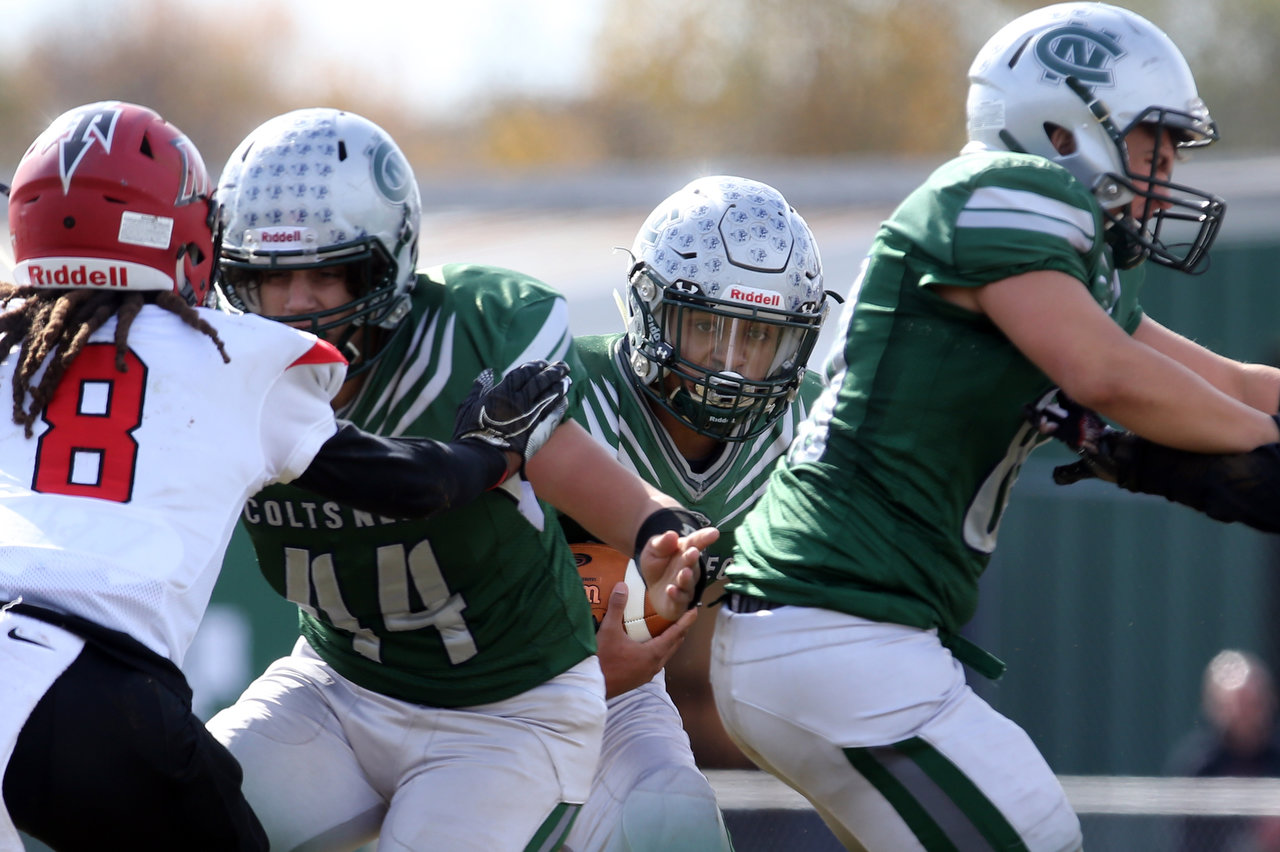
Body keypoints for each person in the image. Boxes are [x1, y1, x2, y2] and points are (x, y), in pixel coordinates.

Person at [708, 3, 1280, 850]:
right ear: (1060, 128)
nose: (1164, 173)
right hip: (833, 626)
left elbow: (1234, 382)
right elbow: (1108, 374)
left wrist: (1258, 427)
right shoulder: (1006, 193)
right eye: (1150, 143)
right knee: (1033, 834)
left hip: (853, 634)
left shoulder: (1042, 249)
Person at [0, 101, 578, 852]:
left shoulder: (15, 346)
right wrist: (489, 451)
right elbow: (409, 485)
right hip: (99, 690)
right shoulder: (231, 355)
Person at [202, 107, 718, 852]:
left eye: (328, 271)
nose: (299, 303)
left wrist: (651, 527)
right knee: (176, 808)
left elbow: (561, 457)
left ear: (387, 264)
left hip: (508, 706)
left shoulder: (469, 333)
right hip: (339, 684)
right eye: (271, 276)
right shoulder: (223, 366)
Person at [559, 175, 831, 852]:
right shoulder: (566, 391)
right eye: (709, 325)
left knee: (671, 821)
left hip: (627, 697)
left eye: (760, 336)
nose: (732, 365)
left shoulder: (810, 431)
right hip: (469, 676)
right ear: (651, 308)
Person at [1165, 650, 1280, 852]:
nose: (1245, 714)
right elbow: (1185, 839)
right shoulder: (1199, 766)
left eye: (1252, 703)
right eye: (1236, 705)